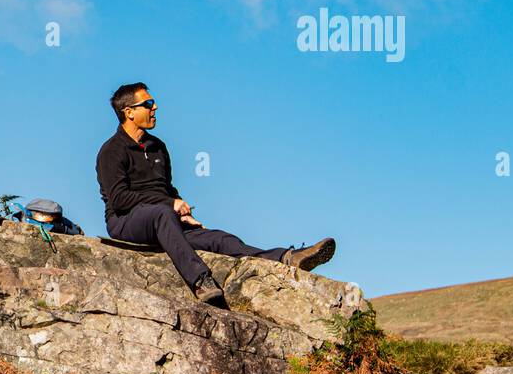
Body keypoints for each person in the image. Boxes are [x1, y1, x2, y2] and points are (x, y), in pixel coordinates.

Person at [96, 82, 336, 305]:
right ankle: (201, 281)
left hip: (164, 220)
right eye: (148, 104)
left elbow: (166, 188)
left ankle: (286, 257)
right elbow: (119, 200)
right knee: (162, 213)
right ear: (129, 112)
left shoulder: (158, 147)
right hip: (126, 221)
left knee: (218, 238)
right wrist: (170, 204)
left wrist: (182, 211)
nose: (155, 107)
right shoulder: (111, 151)